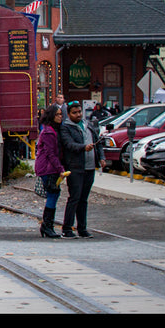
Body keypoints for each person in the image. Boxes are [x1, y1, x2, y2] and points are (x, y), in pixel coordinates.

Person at [59, 100, 105, 238]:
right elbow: (69, 145)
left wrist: (101, 157)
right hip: (75, 167)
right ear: (69, 114)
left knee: (83, 199)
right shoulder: (66, 128)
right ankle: (67, 228)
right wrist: (83, 147)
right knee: (75, 197)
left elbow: (98, 143)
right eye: (75, 113)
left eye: (79, 112)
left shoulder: (87, 125)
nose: (78, 115)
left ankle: (82, 228)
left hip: (89, 167)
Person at [34, 103, 65, 238]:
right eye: (57, 114)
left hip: (49, 167)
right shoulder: (48, 132)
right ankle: (47, 225)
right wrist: (60, 168)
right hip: (47, 168)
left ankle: (47, 225)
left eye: (61, 114)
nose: (60, 117)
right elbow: (50, 153)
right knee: (53, 193)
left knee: (54, 193)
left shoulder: (53, 130)